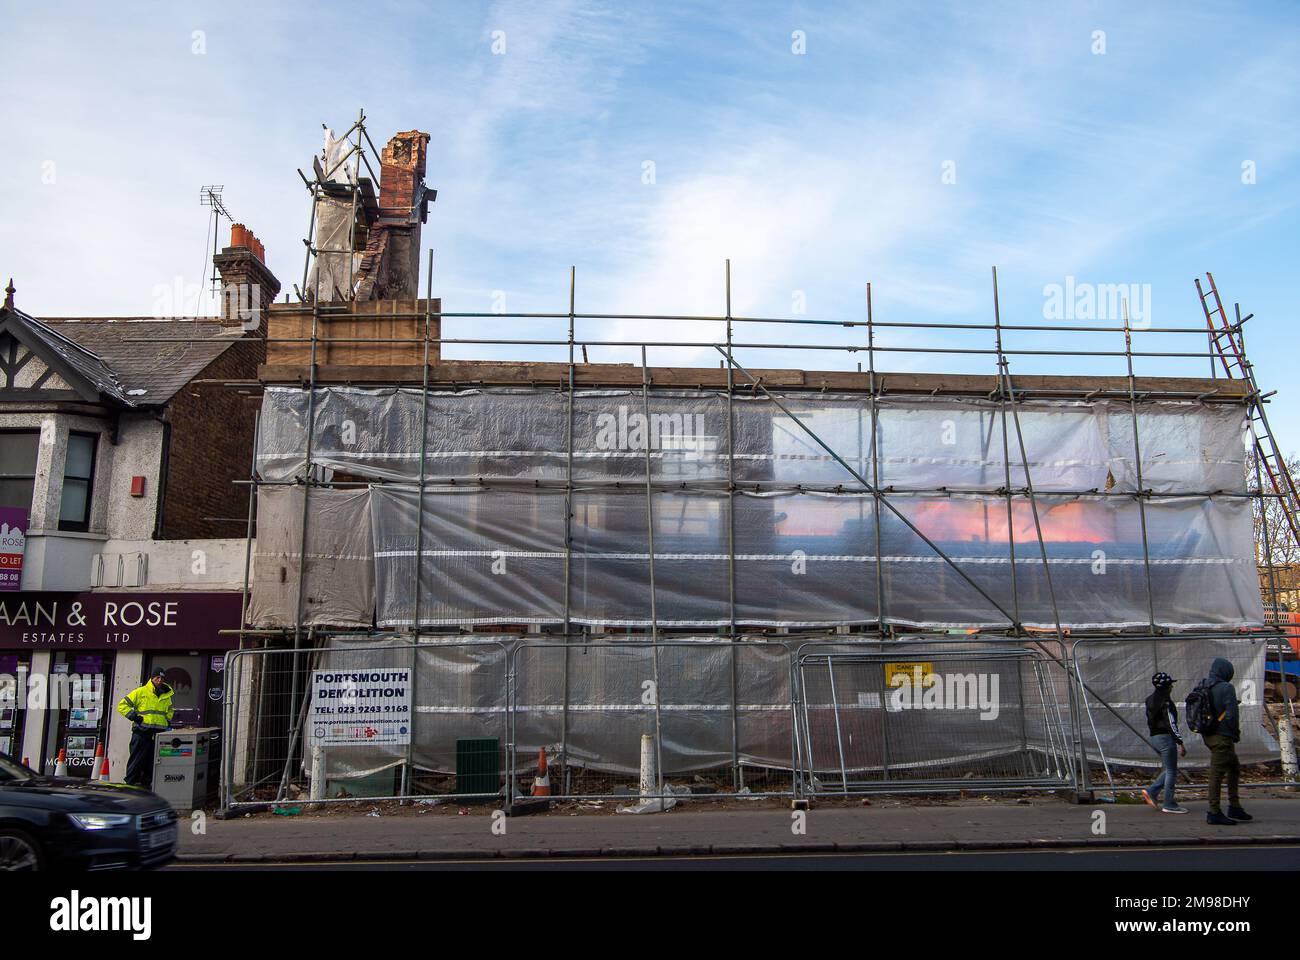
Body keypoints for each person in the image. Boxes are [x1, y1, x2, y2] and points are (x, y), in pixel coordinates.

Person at [1201, 656, 1251, 826]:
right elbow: (1231, 715)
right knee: (1217, 773)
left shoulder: (1204, 685)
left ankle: (1235, 806)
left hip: (1208, 734)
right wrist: (1235, 733)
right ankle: (1214, 812)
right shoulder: (1226, 687)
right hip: (1223, 735)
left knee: (1233, 767)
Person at [116, 668, 174, 789]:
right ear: (151, 678)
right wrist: (134, 717)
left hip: (157, 734)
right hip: (141, 733)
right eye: (157, 677)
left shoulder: (166, 695)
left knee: (151, 763)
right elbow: (122, 705)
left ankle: (146, 787)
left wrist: (167, 722)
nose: (159, 680)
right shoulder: (141, 691)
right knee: (136, 761)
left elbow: (169, 710)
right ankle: (130, 786)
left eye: (162, 678)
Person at [1141, 672, 1187, 813]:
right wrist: (1179, 741)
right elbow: (1170, 723)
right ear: (1167, 686)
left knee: (1168, 769)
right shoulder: (1166, 703)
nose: (1172, 686)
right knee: (1172, 771)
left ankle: (1152, 792)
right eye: (1170, 684)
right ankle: (1169, 803)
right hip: (1166, 737)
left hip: (1155, 737)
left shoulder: (1150, 700)